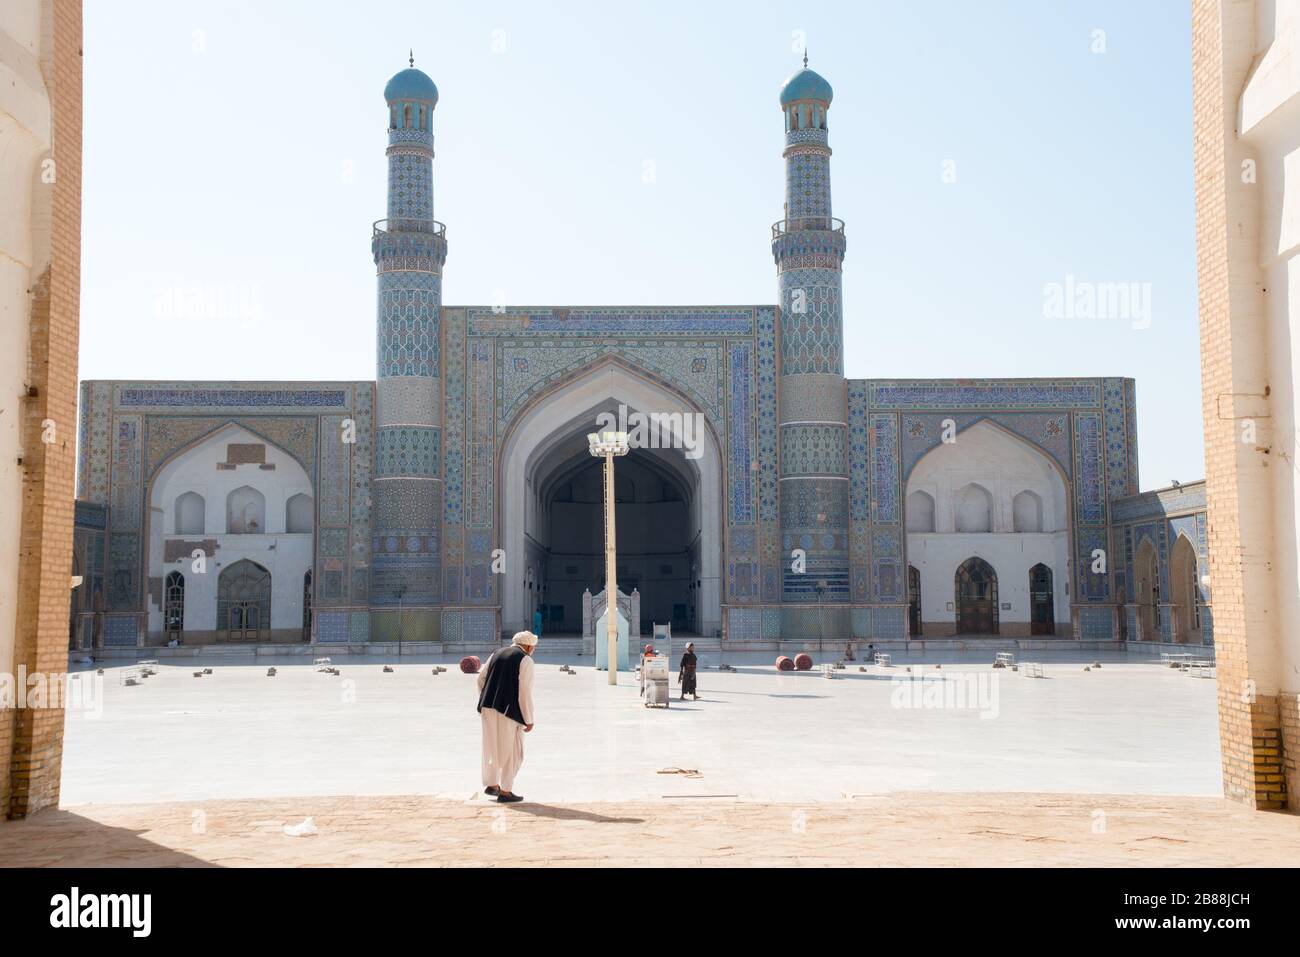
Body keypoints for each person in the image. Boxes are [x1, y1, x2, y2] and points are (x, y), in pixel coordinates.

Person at [477, 630, 537, 803]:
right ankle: (505, 791)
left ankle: (492, 784)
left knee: (491, 747)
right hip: (508, 712)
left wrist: (488, 697)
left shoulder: (496, 653)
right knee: (512, 751)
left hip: (488, 708)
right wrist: (529, 718)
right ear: (527, 645)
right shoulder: (525, 659)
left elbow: (481, 680)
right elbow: (524, 692)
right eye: (533, 647)